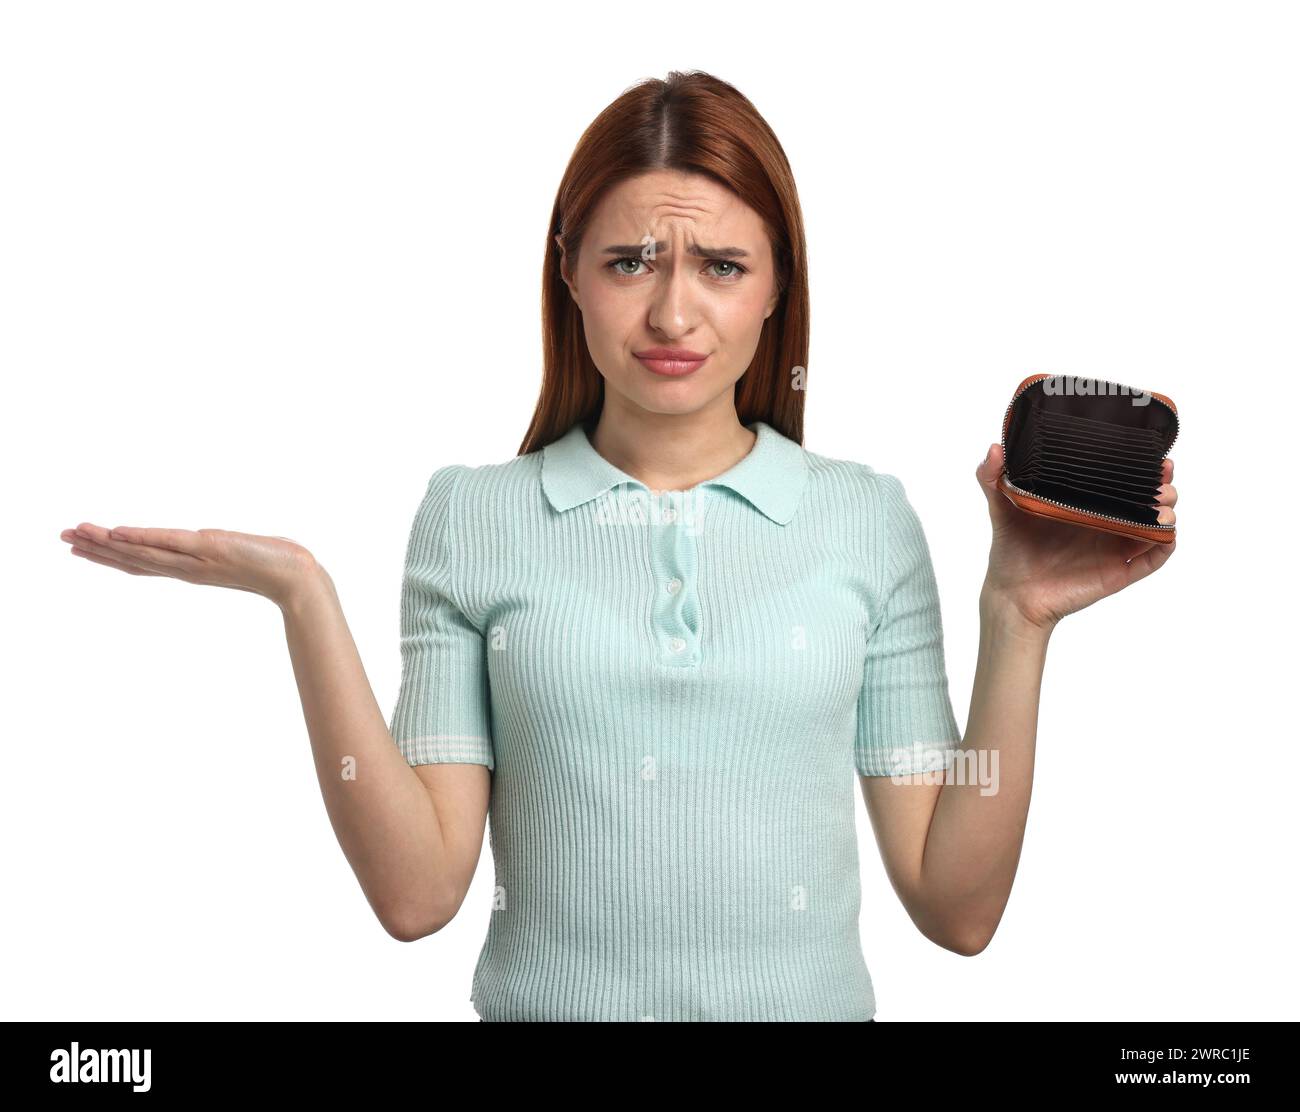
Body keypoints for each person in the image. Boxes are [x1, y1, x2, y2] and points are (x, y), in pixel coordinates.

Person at [59, 70, 1177, 1022]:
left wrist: (1015, 620)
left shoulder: (864, 518)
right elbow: (415, 896)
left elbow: (956, 905)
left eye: (723, 267)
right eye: (631, 260)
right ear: (569, 270)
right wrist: (302, 597)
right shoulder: (471, 515)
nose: (674, 315)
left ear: (778, 282)